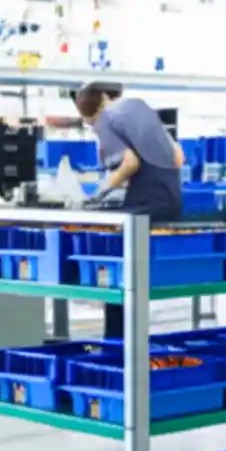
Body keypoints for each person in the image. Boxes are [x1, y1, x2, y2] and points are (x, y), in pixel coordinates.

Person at [74, 82, 186, 336]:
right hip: (170, 202)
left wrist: (100, 192)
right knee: (131, 275)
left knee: (116, 270)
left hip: (145, 205)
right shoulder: (143, 112)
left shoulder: (107, 119)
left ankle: (117, 341)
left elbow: (129, 162)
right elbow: (178, 156)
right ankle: (127, 338)